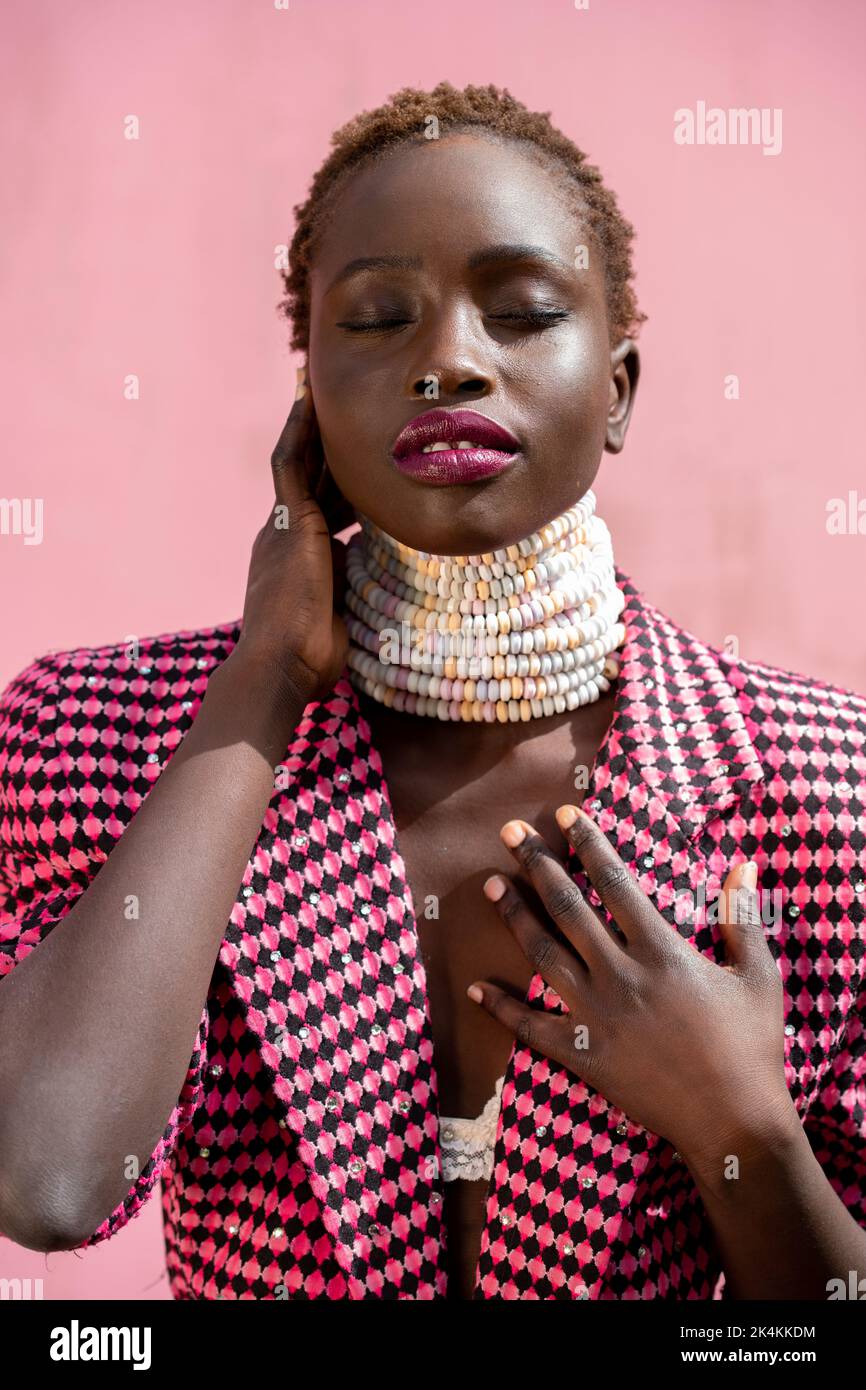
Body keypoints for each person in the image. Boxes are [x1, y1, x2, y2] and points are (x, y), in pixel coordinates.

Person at [0, 82, 864, 1302]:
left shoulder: (820, 783)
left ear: (616, 388)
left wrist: (740, 1127)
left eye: (519, 312)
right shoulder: (95, 734)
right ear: (307, 392)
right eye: (377, 318)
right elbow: (46, 1180)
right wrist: (263, 684)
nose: (448, 361)